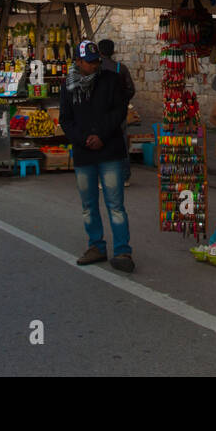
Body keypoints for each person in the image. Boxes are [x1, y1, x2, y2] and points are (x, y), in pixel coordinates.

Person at [61, 39, 133, 272]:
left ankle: (122, 250)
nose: (93, 66)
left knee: (115, 204)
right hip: (84, 153)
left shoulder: (111, 81)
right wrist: (83, 139)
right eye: (89, 62)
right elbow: (66, 119)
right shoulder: (68, 86)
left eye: (96, 62)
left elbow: (119, 111)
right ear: (79, 62)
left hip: (109, 149)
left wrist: (101, 135)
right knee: (88, 204)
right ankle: (96, 245)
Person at [98, 39, 136, 186]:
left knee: (103, 144)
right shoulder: (121, 68)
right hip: (119, 112)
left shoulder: (96, 68)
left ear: (99, 52)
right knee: (122, 142)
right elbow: (131, 90)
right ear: (113, 51)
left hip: (101, 113)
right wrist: (122, 102)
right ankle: (125, 176)